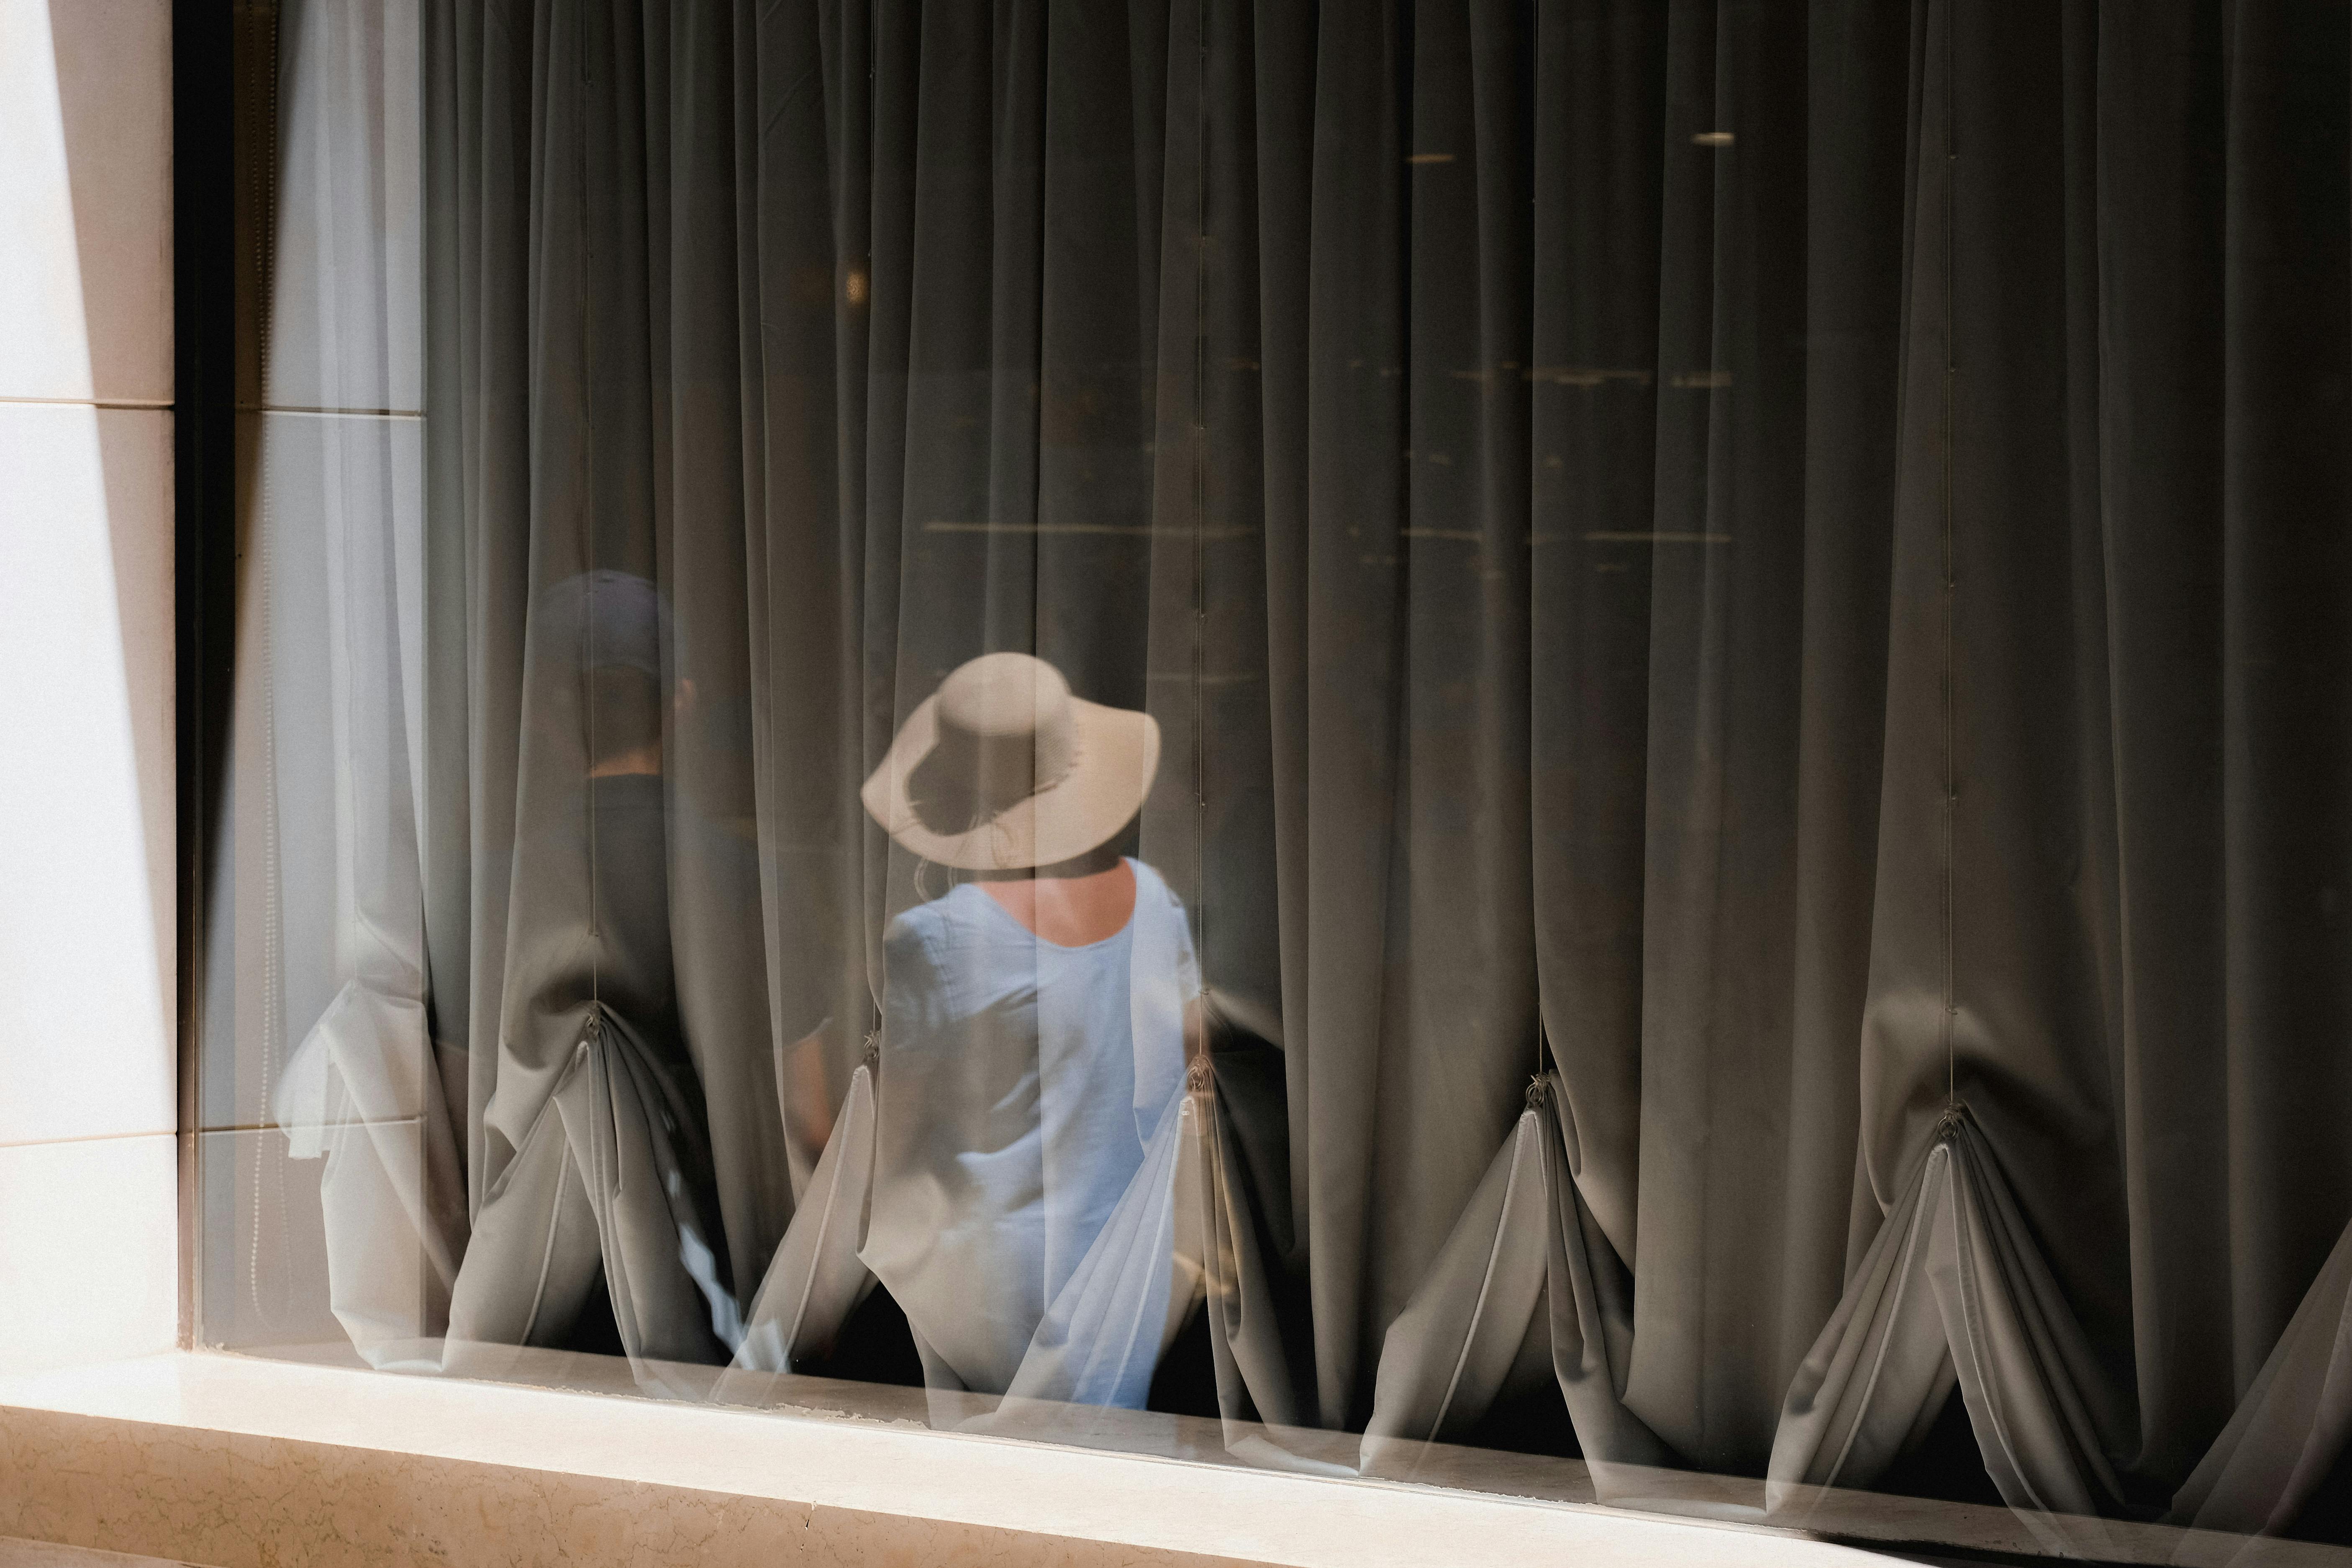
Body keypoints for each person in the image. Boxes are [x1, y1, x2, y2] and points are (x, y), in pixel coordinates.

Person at [857, 652, 1200, 1409]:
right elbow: (1184, 1074)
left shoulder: (934, 940)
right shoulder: (1155, 904)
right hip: (1130, 1265)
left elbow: (903, 1144)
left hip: (985, 1281)